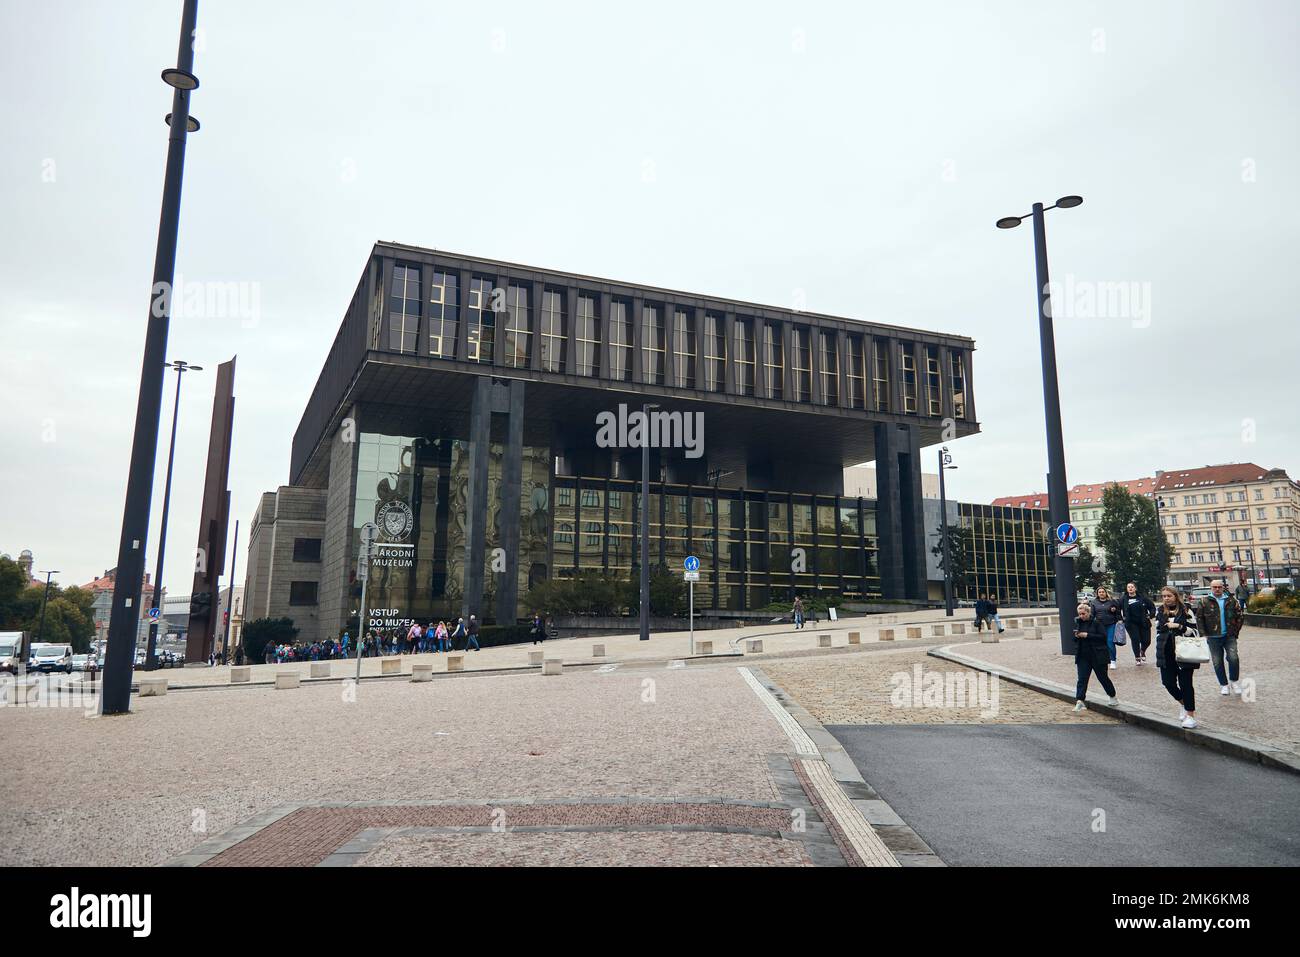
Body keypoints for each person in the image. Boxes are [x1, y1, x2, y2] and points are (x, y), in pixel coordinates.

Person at [1155, 586, 1199, 728]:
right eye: (1164, 596)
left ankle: (1190, 715)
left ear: (1175, 596)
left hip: (1184, 653)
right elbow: (1159, 629)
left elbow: (1195, 632)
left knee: (1186, 684)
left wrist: (1179, 627)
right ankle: (1183, 703)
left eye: (1169, 596)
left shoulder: (1186, 610)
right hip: (1166, 653)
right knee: (1168, 683)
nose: (1166, 599)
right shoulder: (1160, 611)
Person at [1195, 579, 1244, 696]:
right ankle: (1224, 685)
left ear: (1223, 587)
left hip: (1229, 635)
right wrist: (1203, 634)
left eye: (1219, 587)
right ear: (1211, 588)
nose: (1217, 589)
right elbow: (1199, 618)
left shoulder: (1231, 600)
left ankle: (1234, 682)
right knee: (1217, 662)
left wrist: (1235, 631)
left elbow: (1240, 616)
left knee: (1233, 658)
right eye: (1214, 587)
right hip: (1213, 636)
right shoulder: (1204, 601)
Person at [1072, 601, 1118, 712]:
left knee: (1102, 678)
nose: (1081, 616)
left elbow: (1103, 637)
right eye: (1080, 614)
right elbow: (1074, 640)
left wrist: (1087, 635)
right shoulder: (1078, 623)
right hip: (1083, 655)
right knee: (1082, 679)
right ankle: (1080, 700)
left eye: (1083, 614)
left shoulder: (1097, 622)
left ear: (1088, 612)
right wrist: (1076, 636)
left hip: (1098, 655)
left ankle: (1112, 696)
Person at [1089, 586, 1124, 670]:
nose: (1101, 593)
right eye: (1099, 592)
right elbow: (1092, 615)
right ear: (1097, 594)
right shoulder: (1094, 602)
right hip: (1099, 626)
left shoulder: (1112, 601)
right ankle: (1101, 659)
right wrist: (1090, 624)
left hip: (1110, 624)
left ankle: (1113, 661)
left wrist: (1119, 618)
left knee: (1110, 642)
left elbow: (1118, 612)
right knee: (1100, 643)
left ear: (1106, 593)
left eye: (1103, 592)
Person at [1122, 582, 1156, 664]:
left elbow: (1152, 607)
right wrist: (1120, 617)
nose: (1130, 588)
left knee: (1147, 641)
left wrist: (1150, 615)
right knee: (1135, 639)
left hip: (1143, 622)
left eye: (1132, 587)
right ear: (1127, 589)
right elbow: (1116, 608)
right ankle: (1137, 657)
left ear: (1135, 588)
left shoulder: (1142, 598)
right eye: (1128, 587)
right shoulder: (1124, 599)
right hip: (1131, 623)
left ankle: (1142, 650)